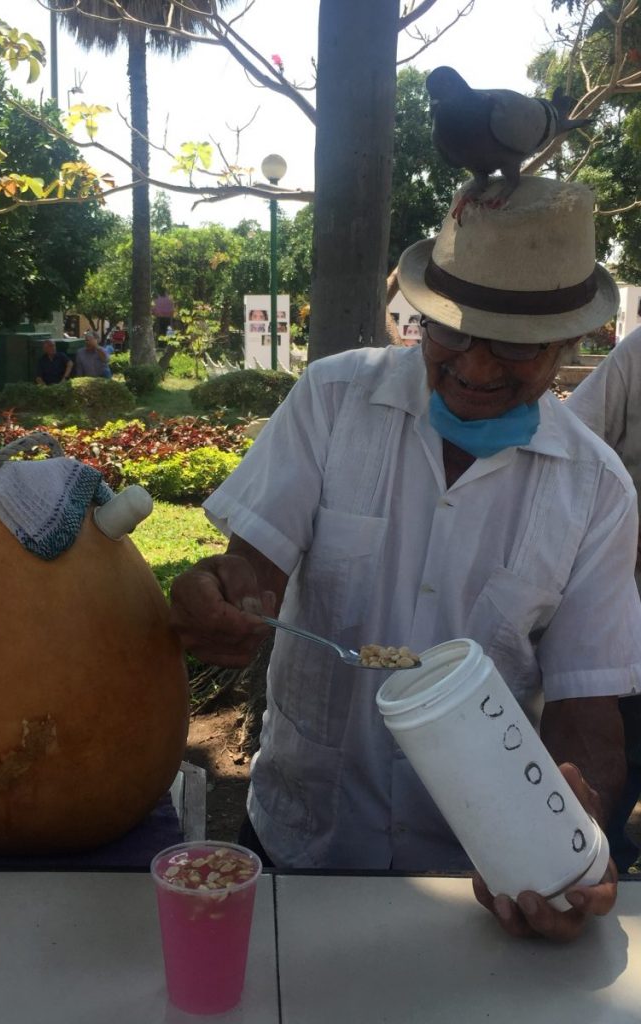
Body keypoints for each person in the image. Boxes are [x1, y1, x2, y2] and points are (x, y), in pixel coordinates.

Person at [170, 176, 641, 942]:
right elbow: (254, 569)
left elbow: (586, 708)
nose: (476, 368)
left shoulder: (597, 491)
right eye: (451, 332)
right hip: (302, 838)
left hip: (473, 877)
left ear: (568, 346)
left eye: (515, 346)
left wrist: (570, 829)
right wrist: (226, 598)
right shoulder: (333, 400)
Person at [566, 326, 641, 871]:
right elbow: (572, 441)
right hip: (628, 611)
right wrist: (624, 523)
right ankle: (593, 862)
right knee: (622, 750)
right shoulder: (638, 356)